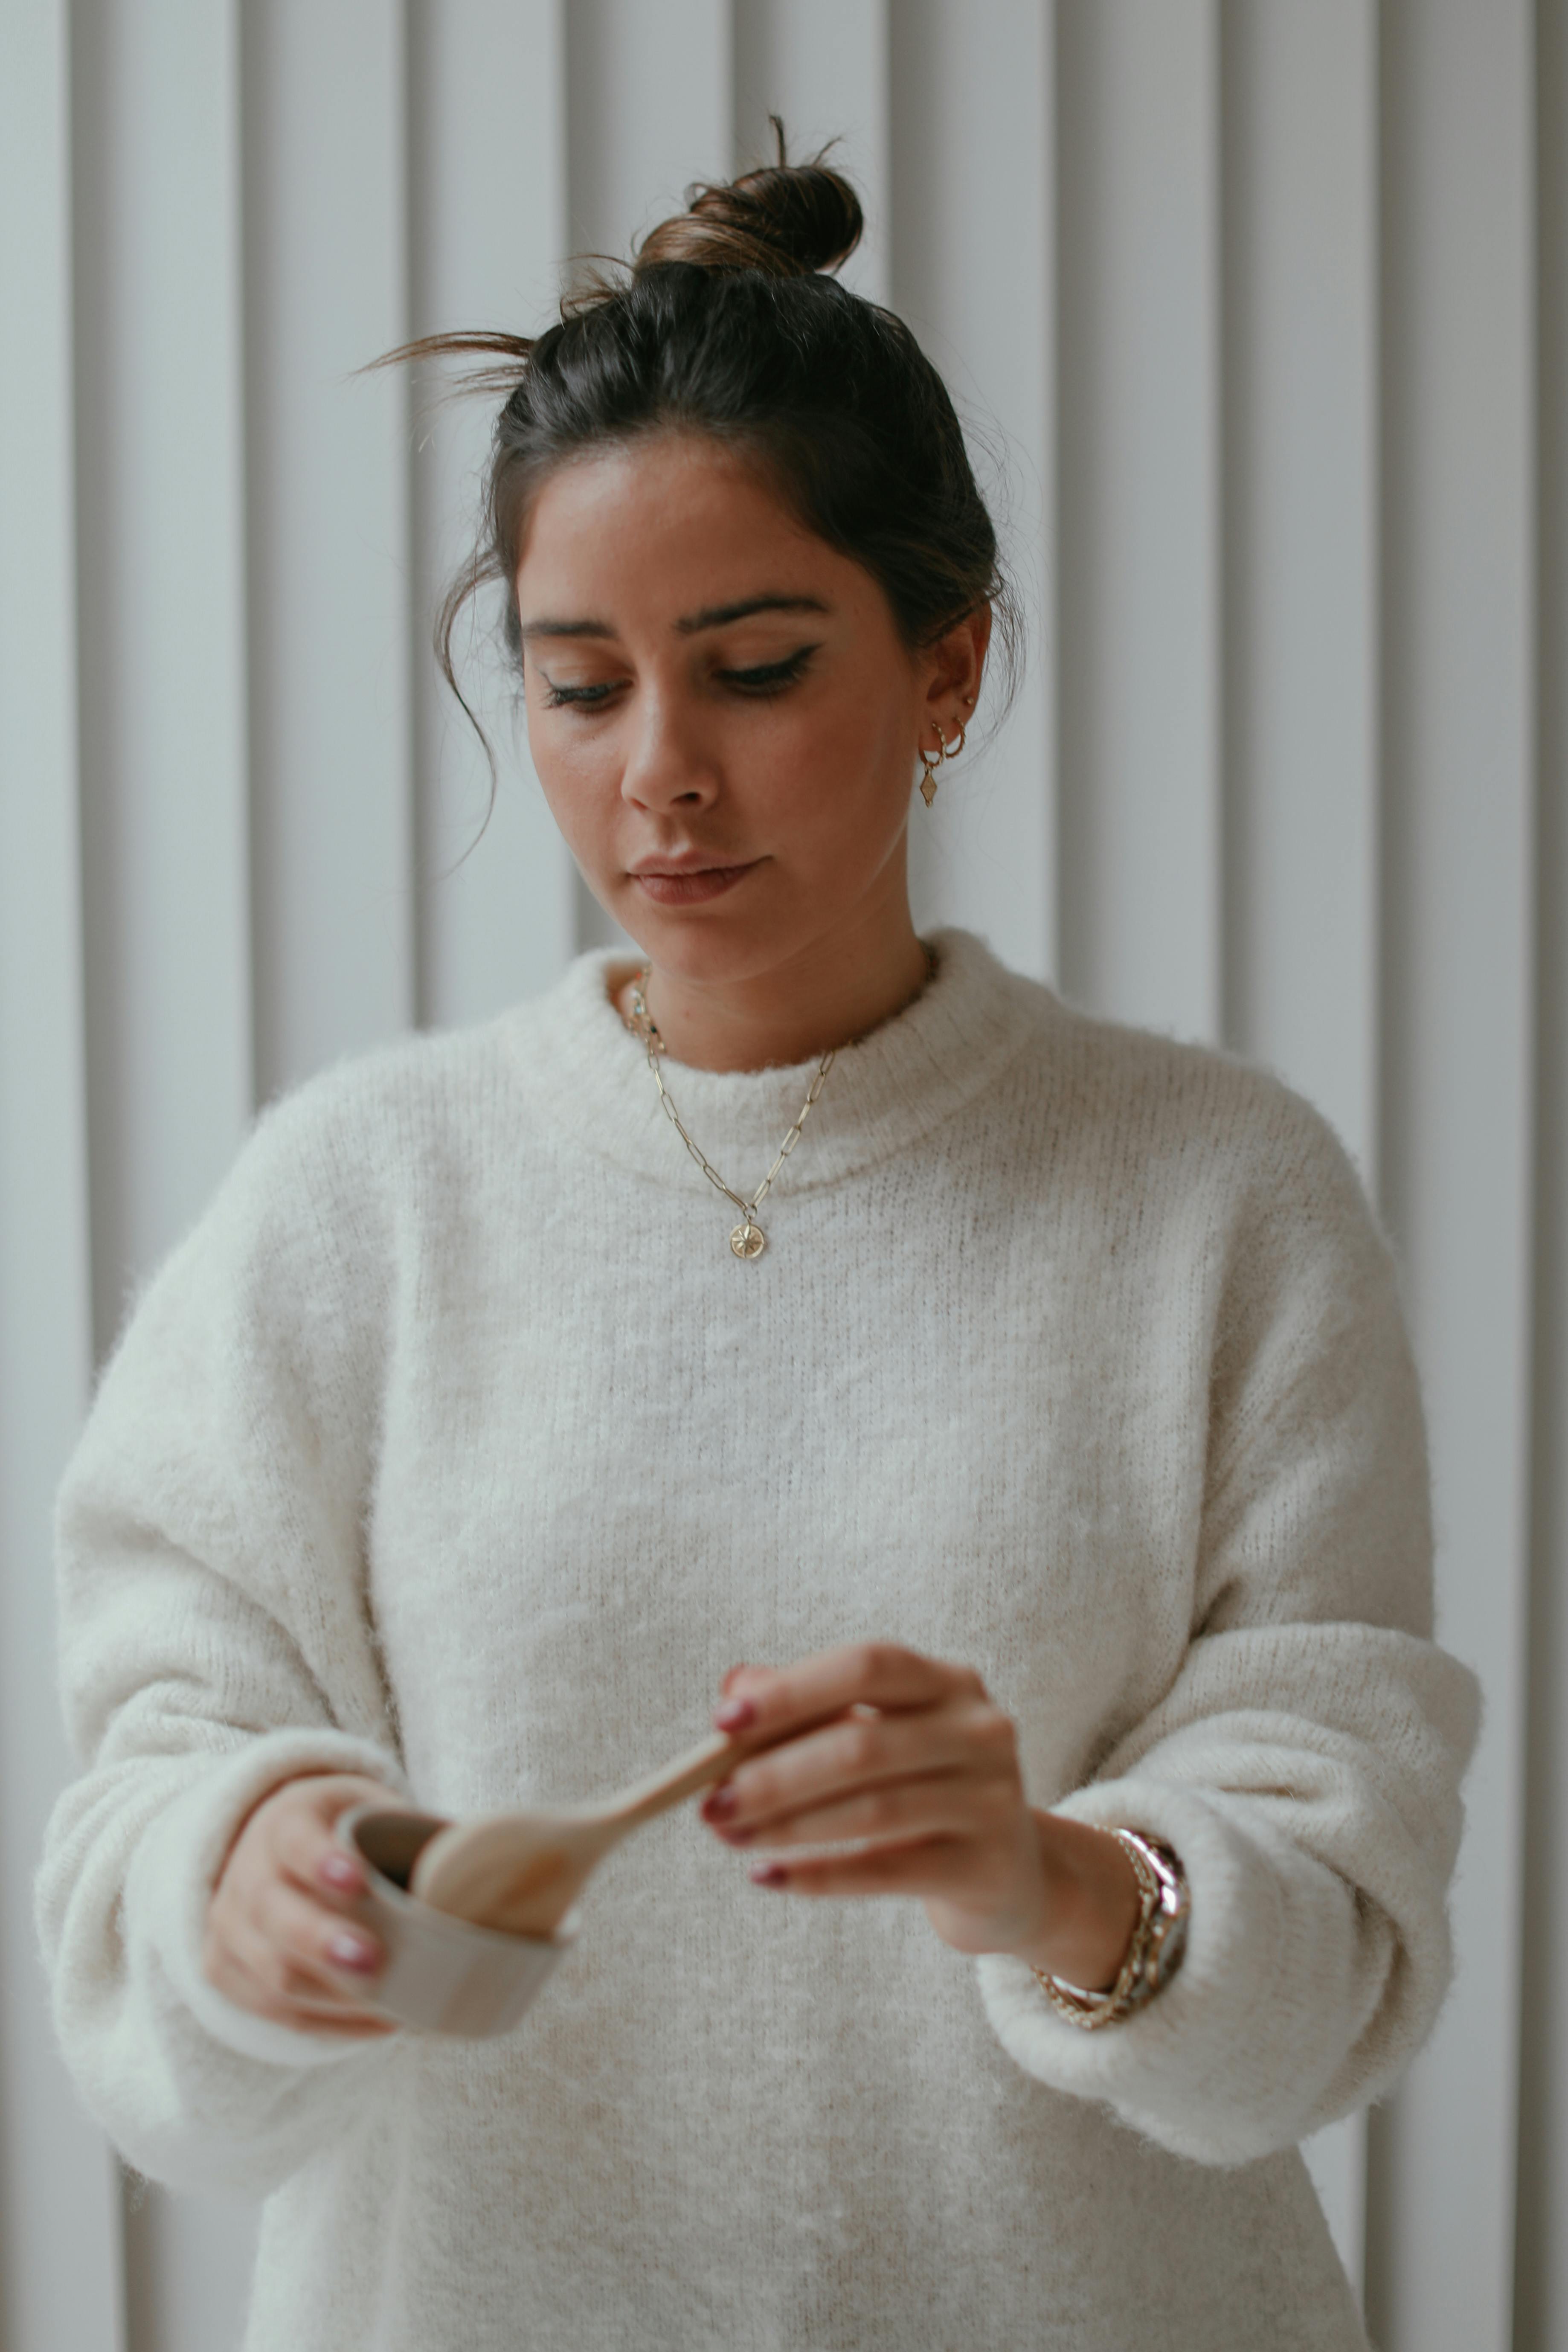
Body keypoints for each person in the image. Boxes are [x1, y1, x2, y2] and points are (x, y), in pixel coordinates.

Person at [38, 145, 1477, 2352]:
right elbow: (144, 1797)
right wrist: (240, 1873)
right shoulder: (356, 1207)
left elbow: (1347, 1925)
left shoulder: (1220, 1204)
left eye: (757, 665)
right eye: (580, 684)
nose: (660, 780)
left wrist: (1052, 1878)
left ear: (947, 662)